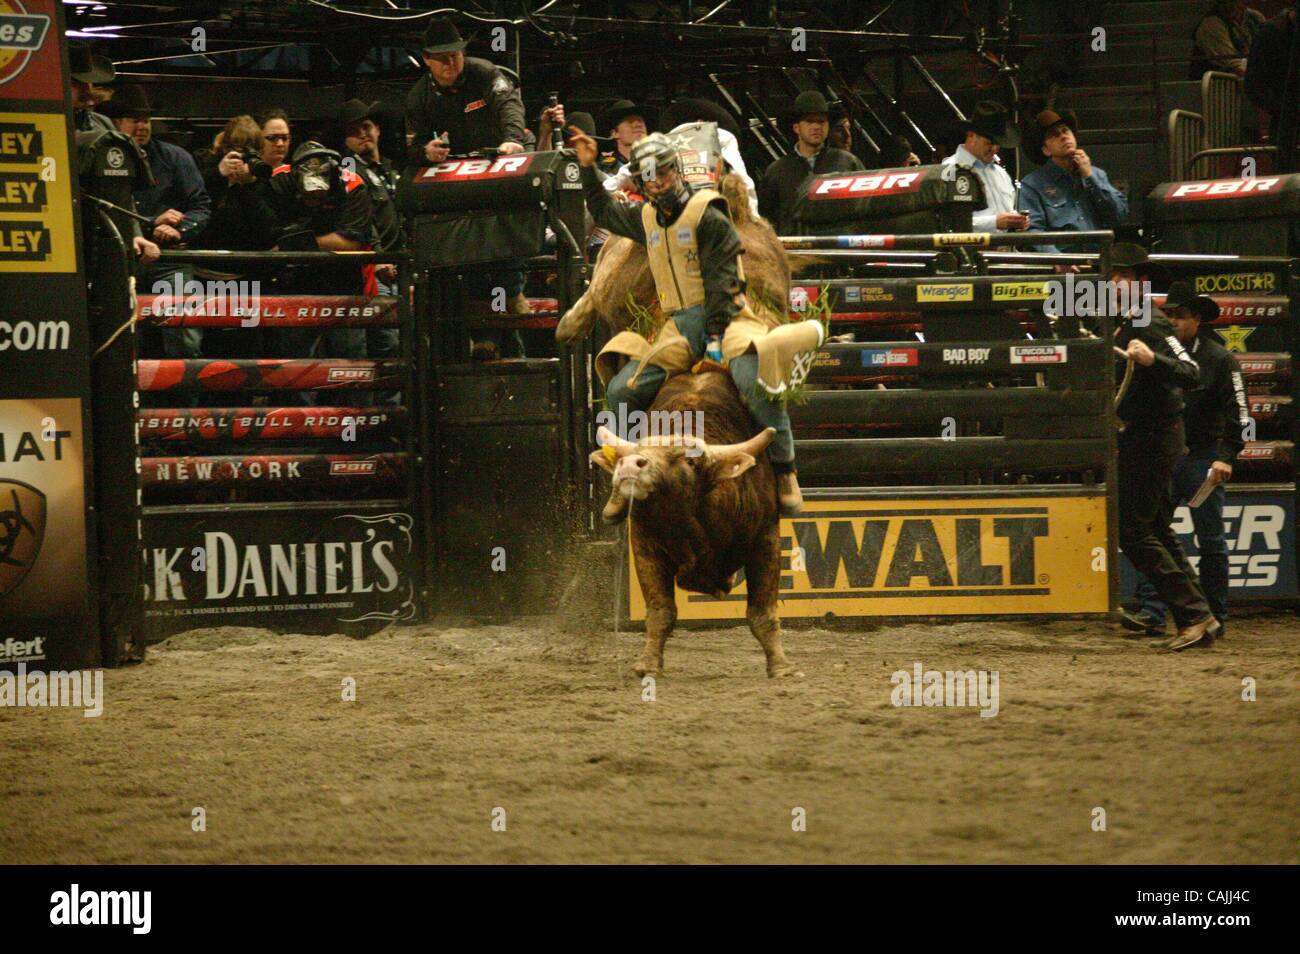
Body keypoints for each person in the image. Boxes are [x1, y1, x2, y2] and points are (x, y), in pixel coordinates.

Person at [568, 127, 825, 520]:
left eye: (665, 172)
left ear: (678, 171)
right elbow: (604, 212)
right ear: (641, 181)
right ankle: (623, 478)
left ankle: (786, 470)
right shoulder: (647, 218)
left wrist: (717, 336)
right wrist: (588, 170)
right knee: (621, 391)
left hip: (731, 318)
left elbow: (724, 278)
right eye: (649, 175)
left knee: (755, 385)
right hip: (678, 325)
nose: (658, 181)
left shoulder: (709, 212)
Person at [1132, 283, 1250, 638]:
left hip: (1203, 459)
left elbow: (1241, 414)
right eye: (1168, 315)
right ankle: (1152, 612)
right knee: (1152, 531)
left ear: (1196, 319)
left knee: (1210, 540)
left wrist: (1228, 456)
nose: (1174, 322)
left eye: (1179, 316)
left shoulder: (1219, 358)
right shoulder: (1159, 355)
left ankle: (1215, 615)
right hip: (1167, 457)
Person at [1112, 270, 1220, 651]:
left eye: (1118, 278)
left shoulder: (1148, 321)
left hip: (1152, 438)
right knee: (1155, 528)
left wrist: (1151, 358)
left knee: (1133, 530)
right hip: (1148, 436)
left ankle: (1195, 614)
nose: (1111, 285)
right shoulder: (1127, 320)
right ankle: (1201, 614)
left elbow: (1190, 373)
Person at [246, 142, 375, 404]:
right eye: (308, 192)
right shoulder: (278, 180)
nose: (314, 198)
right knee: (294, 361)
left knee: (349, 360)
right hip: (297, 282)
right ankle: (297, 427)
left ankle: (352, 430)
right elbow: (257, 228)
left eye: (319, 192)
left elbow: (351, 243)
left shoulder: (352, 185)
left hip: (343, 282)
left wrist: (296, 242)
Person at [103, 84, 212, 371]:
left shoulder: (175, 158)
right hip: (122, 256)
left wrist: (181, 230)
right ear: (117, 123)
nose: (142, 126)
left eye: (146, 120)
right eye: (134, 119)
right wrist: (152, 225)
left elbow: (200, 206)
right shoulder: (102, 157)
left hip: (169, 257)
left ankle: (183, 408)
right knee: (121, 335)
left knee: (185, 335)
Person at [339, 99, 404, 381]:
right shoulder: (348, 169)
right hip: (375, 268)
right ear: (346, 140)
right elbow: (361, 217)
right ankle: (381, 413)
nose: (362, 134)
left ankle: (394, 409)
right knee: (384, 342)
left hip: (399, 265)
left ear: (377, 129)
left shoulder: (389, 168)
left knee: (399, 343)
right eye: (354, 131)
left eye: (366, 127)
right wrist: (378, 257)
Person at [403, 17, 525, 165]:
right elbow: (414, 145)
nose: (451, 63)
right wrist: (426, 152)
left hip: (500, 153)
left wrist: (513, 139)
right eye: (442, 58)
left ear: (462, 53)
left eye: (454, 55)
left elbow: (508, 104)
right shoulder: (418, 97)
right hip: (456, 163)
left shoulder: (484, 72)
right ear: (427, 59)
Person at [1019, 109, 1128, 257]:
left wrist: (1090, 177)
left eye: (1066, 131)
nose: (1063, 136)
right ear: (1046, 150)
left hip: (1100, 260)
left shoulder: (1096, 174)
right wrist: (1057, 259)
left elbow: (1119, 215)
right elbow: (1032, 230)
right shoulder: (1033, 184)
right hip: (1062, 265)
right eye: (1055, 135)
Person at [757, 90, 860, 235]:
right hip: (795, 253)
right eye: (810, 121)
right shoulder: (776, 171)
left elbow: (862, 211)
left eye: (821, 121)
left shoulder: (848, 163)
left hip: (838, 251)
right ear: (796, 127)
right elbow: (766, 221)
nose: (816, 126)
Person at [940, 102, 1028, 235]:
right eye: (989, 142)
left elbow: (1008, 211)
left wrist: (1017, 221)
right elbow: (948, 221)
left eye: (997, 144)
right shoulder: (950, 170)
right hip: (970, 252)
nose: (994, 149)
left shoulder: (1001, 173)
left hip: (1006, 250)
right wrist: (994, 223)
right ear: (971, 135)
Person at [1245, 8, 1297, 143]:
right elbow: (1254, 86)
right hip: (1288, 125)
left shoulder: (1272, 32)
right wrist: (1285, 109)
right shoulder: (1270, 34)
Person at [1190, 0, 1265, 78]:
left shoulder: (1255, 17)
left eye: (1232, 1)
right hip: (1220, 84)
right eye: (1223, 2)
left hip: (1250, 74)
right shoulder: (1211, 24)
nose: (1227, 6)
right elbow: (1234, 65)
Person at [70, 42, 116, 133]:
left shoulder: (103, 124)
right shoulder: (45, 123)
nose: (87, 88)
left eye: (89, 82)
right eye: (76, 83)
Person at [598, 99, 652, 175]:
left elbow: (652, 184)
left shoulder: (654, 161)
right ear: (615, 133)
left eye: (640, 121)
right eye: (630, 122)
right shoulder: (607, 165)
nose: (638, 125)